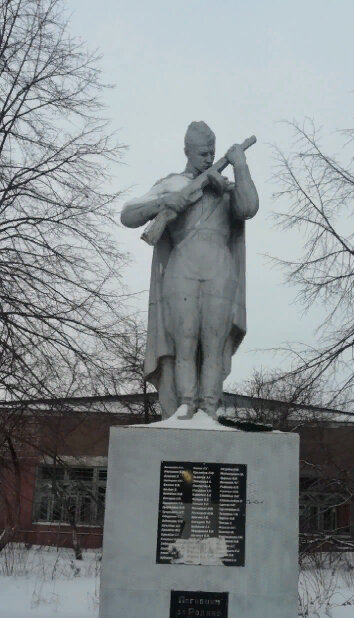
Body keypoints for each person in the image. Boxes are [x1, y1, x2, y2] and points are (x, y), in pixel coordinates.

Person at [120, 121, 258, 419]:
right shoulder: (172, 184)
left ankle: (209, 408)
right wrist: (164, 201)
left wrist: (240, 165)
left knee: (213, 342)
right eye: (202, 153)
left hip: (220, 268)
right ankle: (185, 404)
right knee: (184, 340)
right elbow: (128, 214)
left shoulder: (225, 187)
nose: (208, 159)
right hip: (181, 266)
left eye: (212, 153)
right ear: (187, 152)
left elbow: (249, 208)